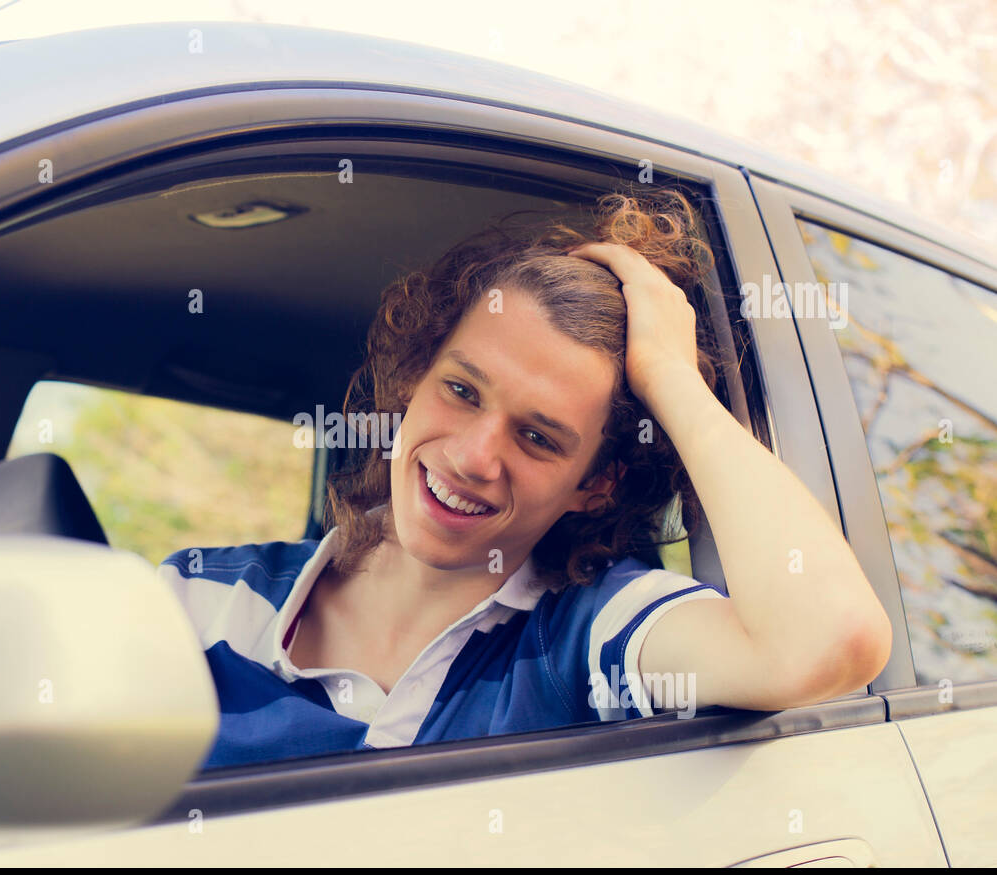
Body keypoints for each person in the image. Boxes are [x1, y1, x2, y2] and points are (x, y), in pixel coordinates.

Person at [159, 189, 892, 770]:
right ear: (415, 378)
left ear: (595, 484)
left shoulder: (581, 638)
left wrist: (672, 379)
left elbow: (830, 640)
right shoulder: (200, 597)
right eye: (462, 390)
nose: (476, 455)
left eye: (538, 437)